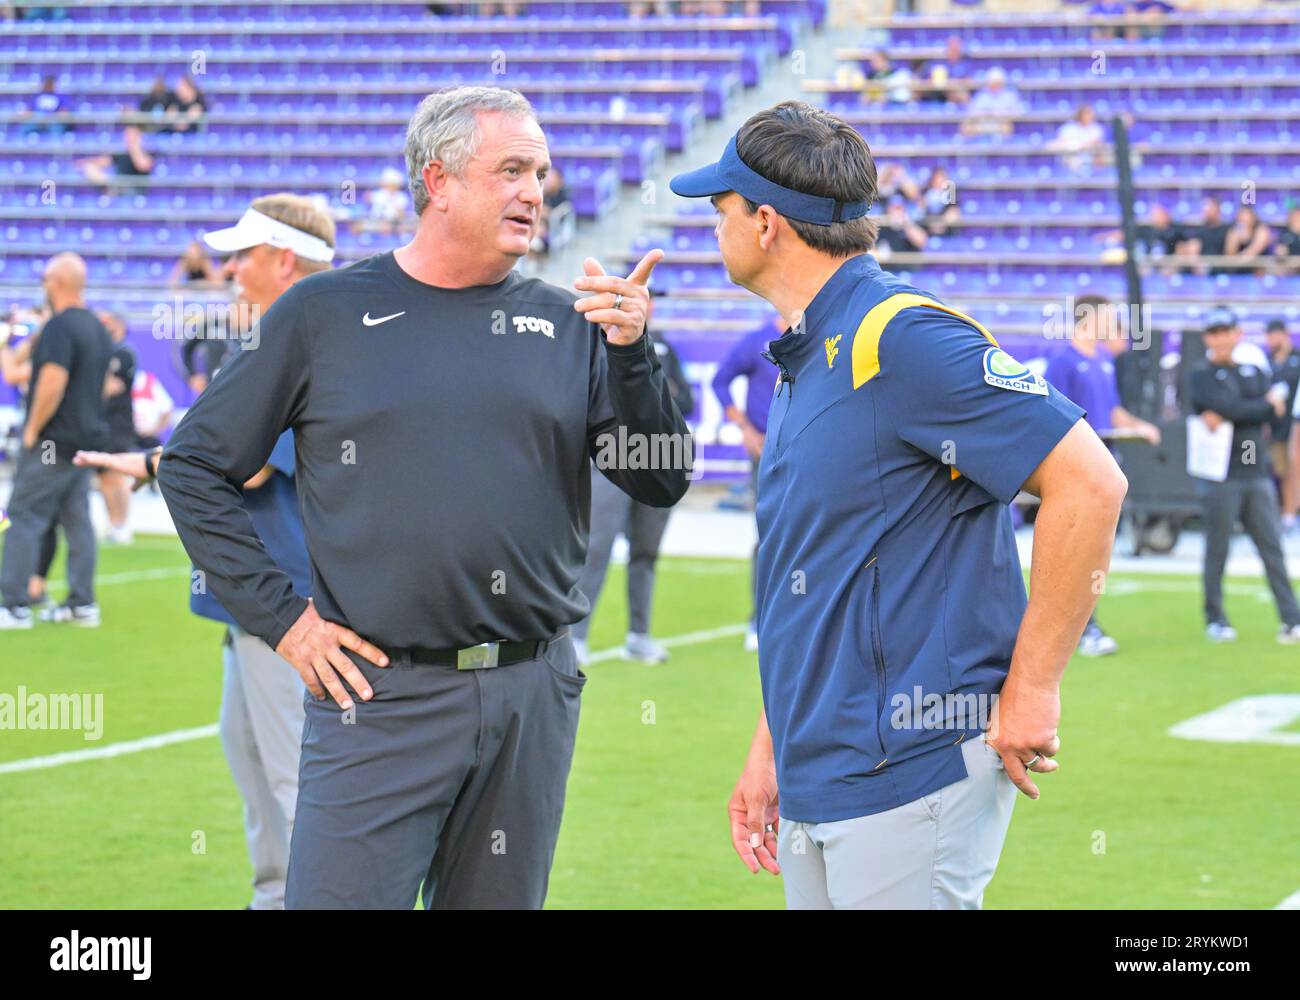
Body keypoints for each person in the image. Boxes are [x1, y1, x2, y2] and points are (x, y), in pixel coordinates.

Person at [154, 86, 690, 910]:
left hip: (530, 695)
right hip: (380, 699)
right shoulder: (322, 313)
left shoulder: (571, 324)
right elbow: (192, 465)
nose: (533, 191)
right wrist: (284, 623)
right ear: (437, 181)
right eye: (511, 168)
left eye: (541, 172)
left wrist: (631, 356)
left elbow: (658, 476)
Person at [671, 101, 1126, 909]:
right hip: (823, 764)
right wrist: (771, 742)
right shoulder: (806, 353)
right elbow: (814, 576)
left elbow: (1091, 483)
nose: (715, 226)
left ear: (767, 223)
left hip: (910, 765)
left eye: (721, 209)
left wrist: (1034, 687)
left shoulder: (902, 335)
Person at [76, 194, 334, 910]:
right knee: (250, 756)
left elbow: (243, 464)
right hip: (252, 590)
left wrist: (158, 462)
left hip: (282, 593)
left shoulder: (306, 343)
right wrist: (163, 460)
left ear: (283, 260)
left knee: (291, 776)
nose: (229, 269)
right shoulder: (278, 339)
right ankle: (275, 897)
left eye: (244, 255)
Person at [572, 295, 694, 665]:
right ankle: (576, 636)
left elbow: (684, 401)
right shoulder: (595, 341)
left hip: (656, 457)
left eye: (652, 300)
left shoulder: (665, 348)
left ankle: (638, 635)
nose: (650, 306)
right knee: (597, 548)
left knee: (645, 551)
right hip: (611, 457)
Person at [1043, 294, 1160, 657]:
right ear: (1090, 318)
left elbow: (1111, 410)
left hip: (1103, 471)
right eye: (1109, 316)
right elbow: (1048, 413)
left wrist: (1141, 427)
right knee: (1077, 554)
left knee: (1093, 556)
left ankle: (1083, 628)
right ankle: (1084, 630)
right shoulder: (1063, 361)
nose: (1114, 323)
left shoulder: (1104, 359)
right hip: (1077, 472)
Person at [0, 254, 112, 629]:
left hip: (52, 441)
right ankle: (82, 603)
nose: (43, 285)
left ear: (58, 282)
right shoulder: (96, 326)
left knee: (23, 516)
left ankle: (13, 605)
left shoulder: (60, 327)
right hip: (83, 441)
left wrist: (32, 429)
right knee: (76, 521)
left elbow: (52, 380)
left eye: (46, 278)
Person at [1189, 307, 1300, 643]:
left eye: (1227, 331)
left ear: (1237, 334)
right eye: (1215, 332)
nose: (1221, 339)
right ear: (1208, 337)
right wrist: (1250, 409)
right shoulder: (1201, 373)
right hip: (1221, 474)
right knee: (1217, 549)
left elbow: (1263, 410)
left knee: (1272, 548)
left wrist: (1238, 411)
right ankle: (1215, 617)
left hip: (1255, 471)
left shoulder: (1251, 371)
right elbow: (1239, 407)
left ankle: (1291, 618)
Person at [711, 312, 784, 653]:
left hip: (810, 453)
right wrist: (744, 427)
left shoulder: (819, 337)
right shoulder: (758, 340)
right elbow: (720, 381)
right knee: (767, 536)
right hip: (767, 454)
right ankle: (759, 620)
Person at [96, 310, 137, 544]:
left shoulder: (125, 353)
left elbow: (114, 386)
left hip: (118, 423)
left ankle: (123, 523)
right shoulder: (103, 352)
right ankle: (112, 521)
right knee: (102, 475)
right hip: (100, 422)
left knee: (116, 474)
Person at [76, 124, 154, 189]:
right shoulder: (121, 152)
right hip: (119, 186)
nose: (129, 137)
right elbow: (104, 161)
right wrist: (85, 162)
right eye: (127, 134)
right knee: (89, 167)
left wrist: (134, 148)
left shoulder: (147, 151)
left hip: (134, 188)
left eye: (132, 134)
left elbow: (143, 166)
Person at [960, 67, 1025, 138]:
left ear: (1002, 83)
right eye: (992, 82)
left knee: (1007, 127)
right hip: (983, 124)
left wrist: (1003, 115)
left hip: (1001, 124)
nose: (994, 85)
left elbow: (1018, 112)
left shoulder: (1010, 96)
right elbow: (972, 112)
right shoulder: (982, 95)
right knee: (966, 127)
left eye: (996, 83)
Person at [1047, 104, 1107, 173]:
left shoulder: (1096, 128)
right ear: (1080, 115)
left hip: (1090, 159)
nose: (1089, 117)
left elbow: (1097, 144)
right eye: (1086, 114)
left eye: (1090, 114)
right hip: (1070, 158)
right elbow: (1061, 144)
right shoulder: (1068, 128)